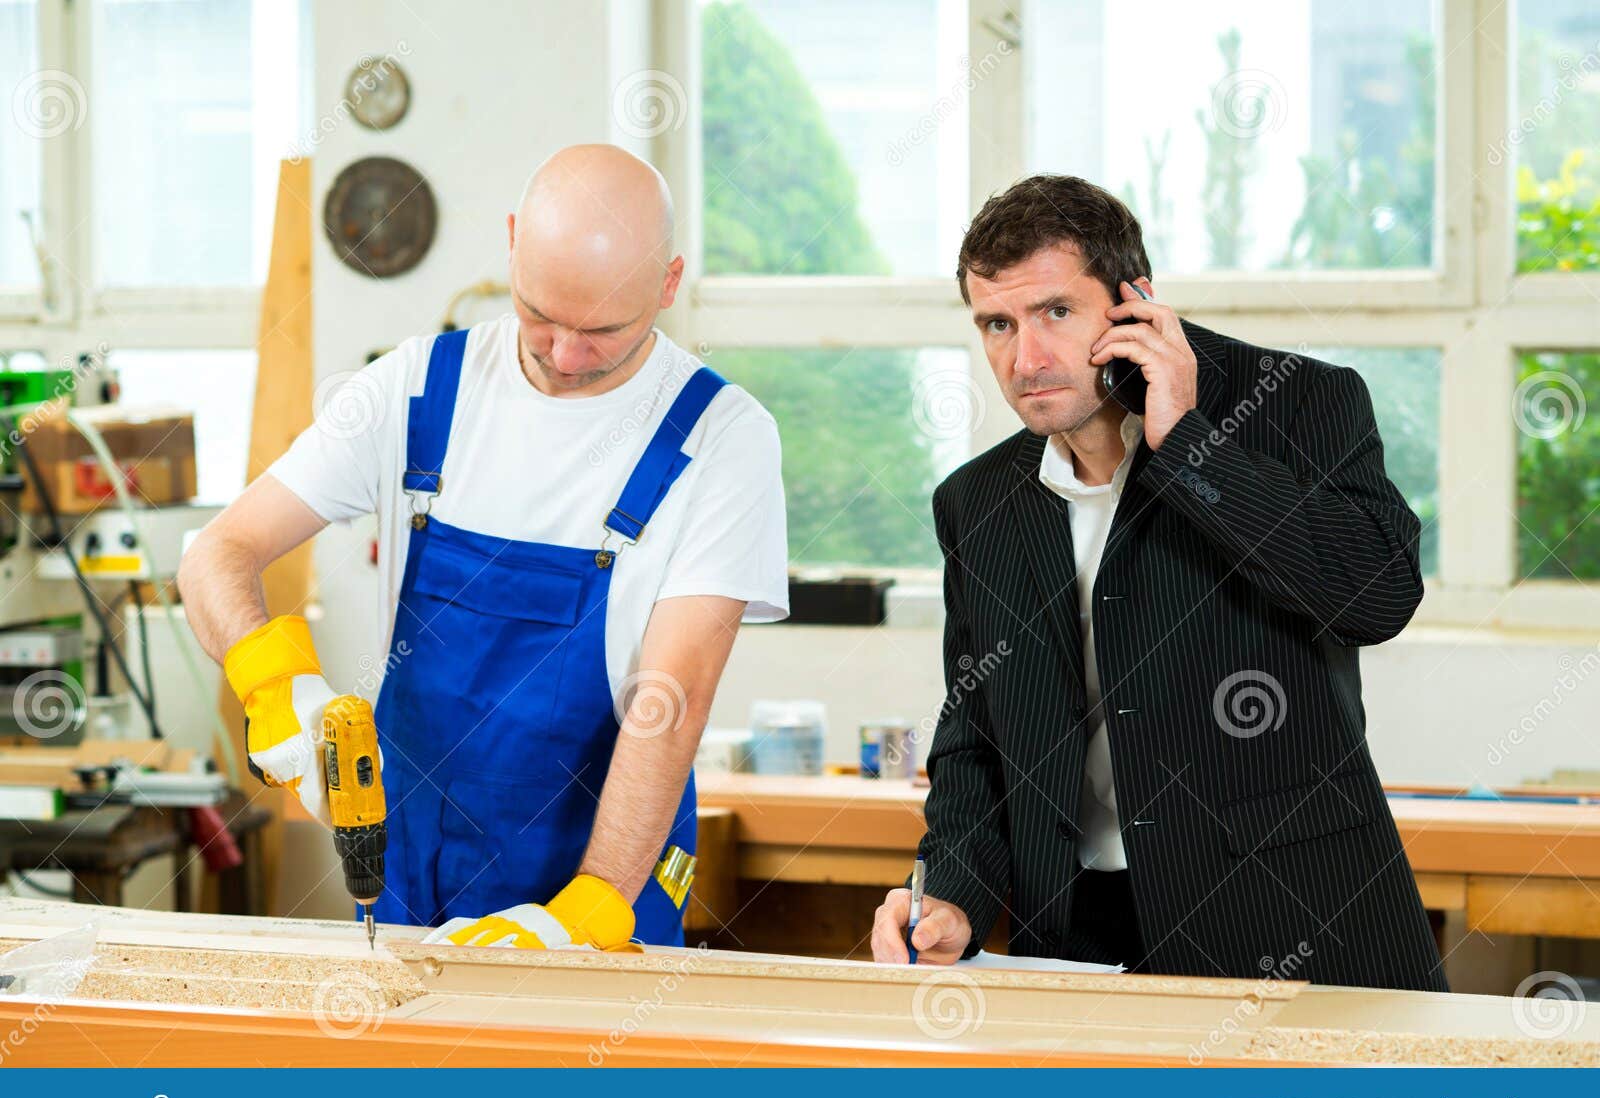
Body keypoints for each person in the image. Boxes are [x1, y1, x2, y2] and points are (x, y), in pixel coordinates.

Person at [179, 144, 788, 951]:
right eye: (540, 315)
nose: (564, 355)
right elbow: (216, 552)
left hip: (603, 874)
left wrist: (588, 910)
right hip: (412, 863)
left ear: (669, 283)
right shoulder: (417, 387)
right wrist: (270, 682)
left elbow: (671, 703)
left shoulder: (721, 437)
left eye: (603, 330)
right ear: (511, 244)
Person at [871, 175, 1445, 992]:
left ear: (1134, 304)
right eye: (998, 324)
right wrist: (952, 893)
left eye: (1056, 312)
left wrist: (1189, 444)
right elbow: (977, 741)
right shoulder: (979, 502)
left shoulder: (1299, 404)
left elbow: (1378, 595)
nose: (1025, 359)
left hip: (1291, 928)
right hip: (1076, 936)